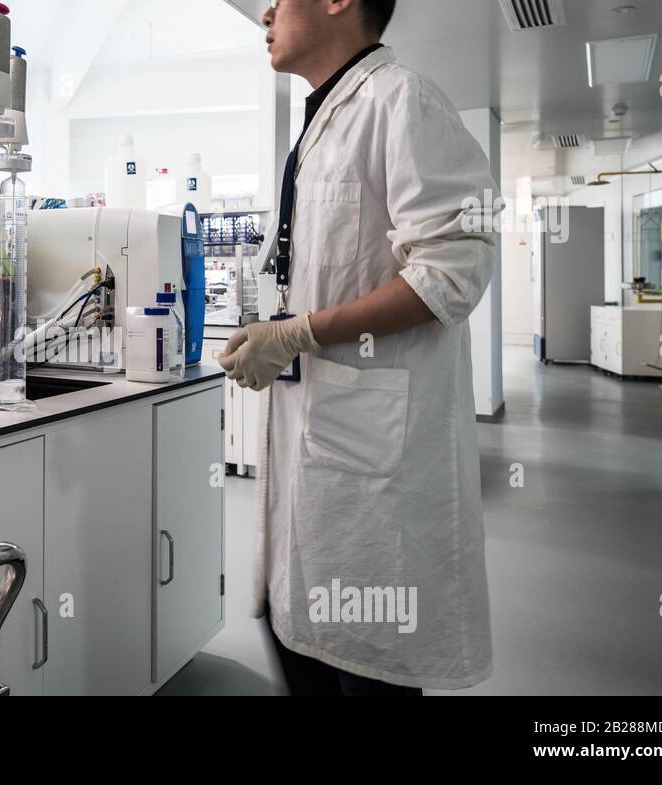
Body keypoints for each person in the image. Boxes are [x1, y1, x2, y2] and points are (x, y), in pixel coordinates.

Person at [218, 0, 496, 695]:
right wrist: (276, 329)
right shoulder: (321, 123)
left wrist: (300, 332)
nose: (267, 14)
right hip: (318, 448)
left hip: (377, 466)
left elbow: (452, 272)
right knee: (303, 639)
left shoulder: (404, 102)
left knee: (370, 666)